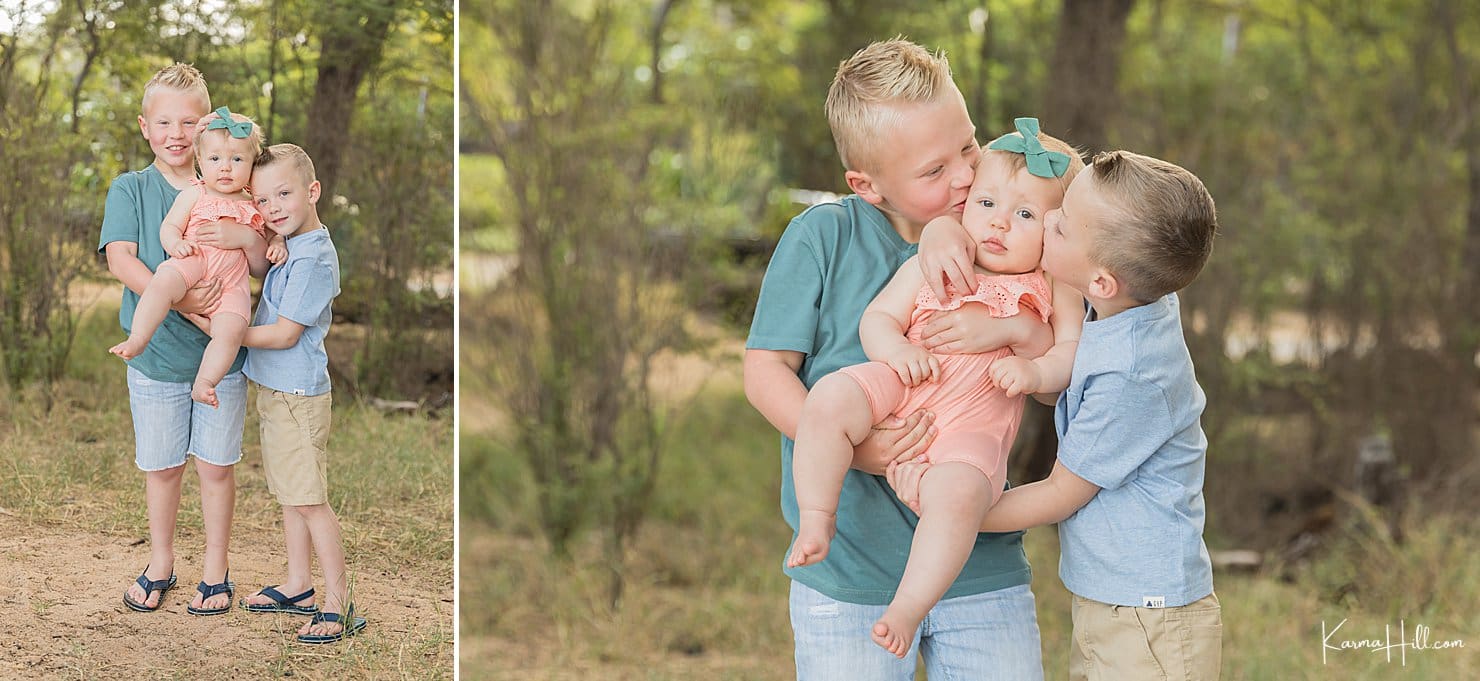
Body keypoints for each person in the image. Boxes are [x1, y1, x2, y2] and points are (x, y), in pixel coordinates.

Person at [744, 39, 1047, 679]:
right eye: (934, 171)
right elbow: (765, 371)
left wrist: (1012, 330)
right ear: (868, 185)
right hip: (851, 567)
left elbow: (1049, 380)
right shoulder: (824, 237)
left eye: (969, 147)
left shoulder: (1013, 237)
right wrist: (856, 449)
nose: (964, 177)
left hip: (980, 565)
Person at [891, 150, 1224, 680]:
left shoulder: (1132, 376)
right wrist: (942, 231)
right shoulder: (1129, 293)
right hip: (1115, 596)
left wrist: (949, 507)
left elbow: (1060, 493)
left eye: (1062, 224)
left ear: (1101, 281)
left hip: (1148, 615)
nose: (1046, 220)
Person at [787, 118, 1087, 657]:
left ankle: (908, 606)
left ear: (1056, 230)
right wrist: (897, 352)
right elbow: (878, 319)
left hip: (972, 424)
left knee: (960, 496)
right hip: (906, 381)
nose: (999, 224)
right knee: (829, 398)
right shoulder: (941, 258)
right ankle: (816, 518)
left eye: (1025, 215)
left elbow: (1069, 356)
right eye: (986, 203)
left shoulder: (1052, 284)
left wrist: (1032, 363)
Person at [102, 64, 270, 616]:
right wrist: (181, 300)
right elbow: (121, 259)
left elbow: (263, 261)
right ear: (145, 127)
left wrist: (247, 238)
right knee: (164, 468)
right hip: (156, 360)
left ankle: (216, 569)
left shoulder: (238, 183)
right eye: (163, 122)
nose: (176, 133)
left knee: (216, 467)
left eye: (188, 122)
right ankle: (161, 562)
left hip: (221, 360)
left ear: (206, 131)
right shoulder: (132, 188)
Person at [220, 143, 366, 644]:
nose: (272, 207)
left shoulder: (314, 259)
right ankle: (299, 584)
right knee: (290, 495)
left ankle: (339, 603)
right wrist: (272, 238)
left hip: (298, 394)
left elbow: (284, 334)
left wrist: (225, 332)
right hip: (277, 389)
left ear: (313, 191)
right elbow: (266, 251)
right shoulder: (291, 243)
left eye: (283, 194)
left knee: (309, 501)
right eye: (262, 200)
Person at [109, 106, 287, 408]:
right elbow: (170, 226)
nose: (225, 168)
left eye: (237, 159)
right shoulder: (196, 193)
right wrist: (175, 243)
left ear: (252, 164)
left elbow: (270, 242)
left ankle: (205, 382)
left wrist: (278, 242)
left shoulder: (256, 203)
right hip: (193, 259)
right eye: (215, 159)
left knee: (232, 330)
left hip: (231, 283)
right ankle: (139, 338)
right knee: (163, 282)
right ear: (201, 161)